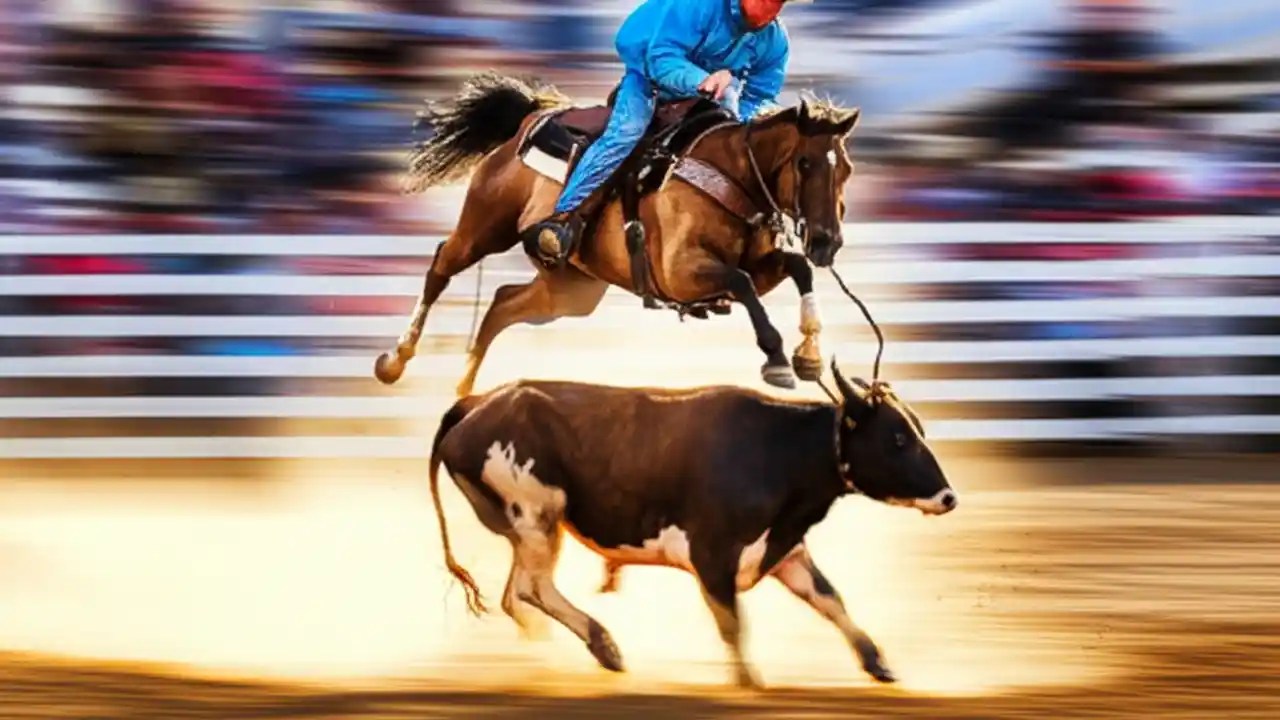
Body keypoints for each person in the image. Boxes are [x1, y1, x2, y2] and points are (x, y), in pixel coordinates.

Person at [529, 0, 809, 266]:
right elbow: (661, 57)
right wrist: (703, 80)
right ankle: (563, 218)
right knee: (626, 132)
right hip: (649, 81)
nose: (770, 8)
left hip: (714, 97)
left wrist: (742, 122)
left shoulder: (775, 41)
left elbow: (761, 94)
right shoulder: (698, 6)